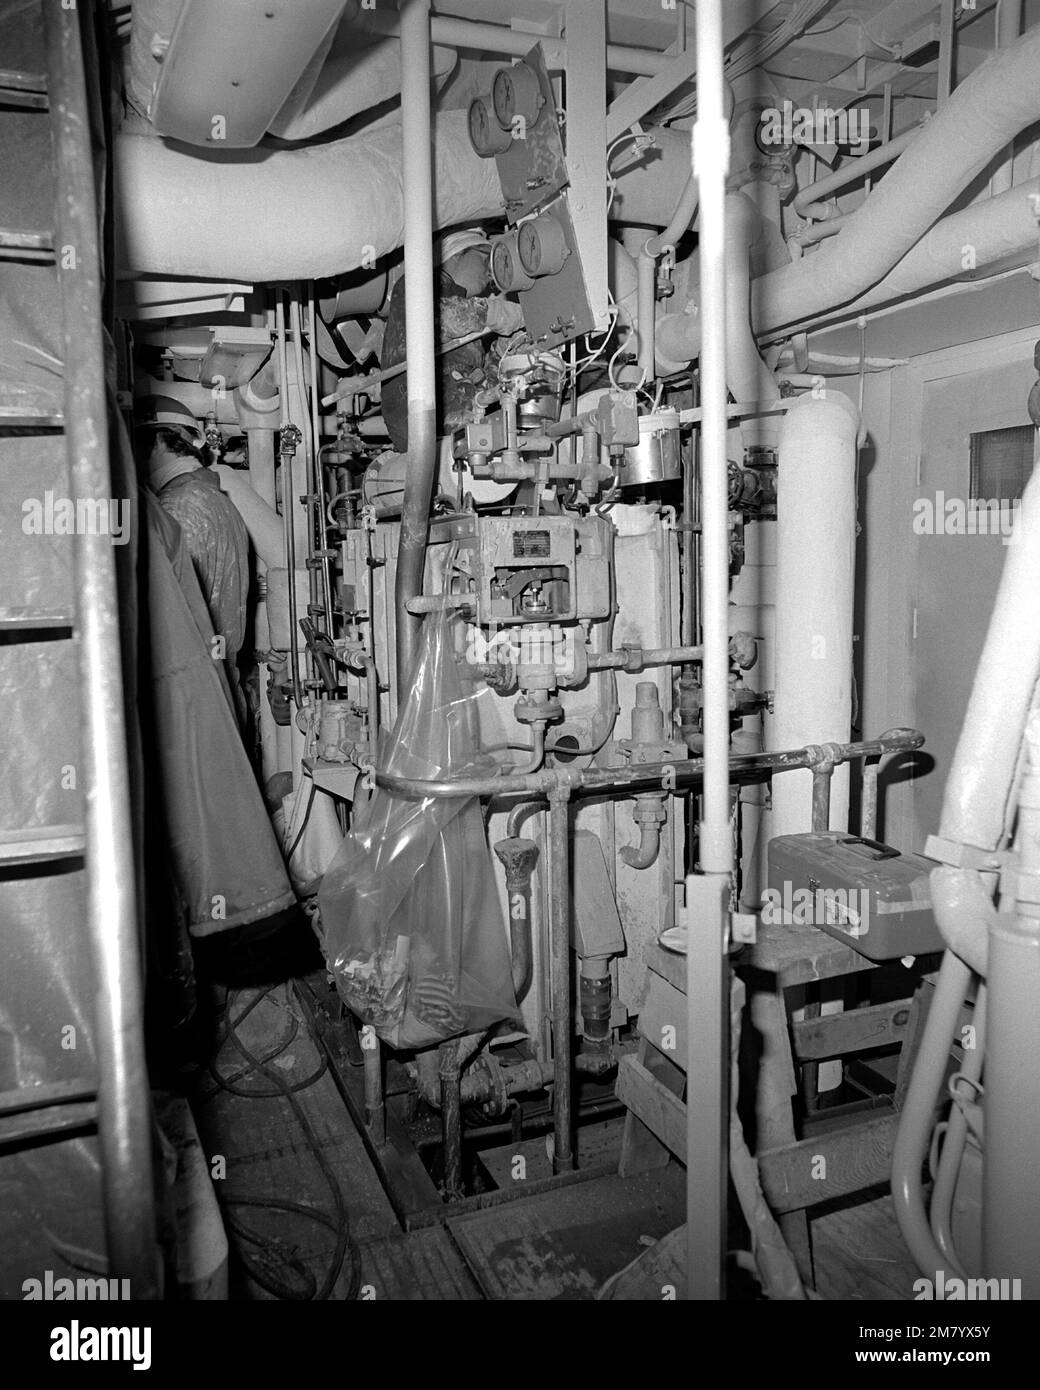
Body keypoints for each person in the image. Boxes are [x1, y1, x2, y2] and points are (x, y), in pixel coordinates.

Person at [138, 398, 251, 718]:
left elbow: (165, 622)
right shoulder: (215, 501)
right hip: (218, 691)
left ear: (157, 441)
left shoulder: (175, 508)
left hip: (190, 701)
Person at [380, 227, 525, 452]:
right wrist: (502, 313)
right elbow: (445, 317)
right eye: (485, 259)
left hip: (457, 414)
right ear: (457, 253)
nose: (490, 273)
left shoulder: (470, 321)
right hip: (417, 407)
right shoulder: (418, 284)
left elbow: (485, 382)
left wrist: (502, 351)